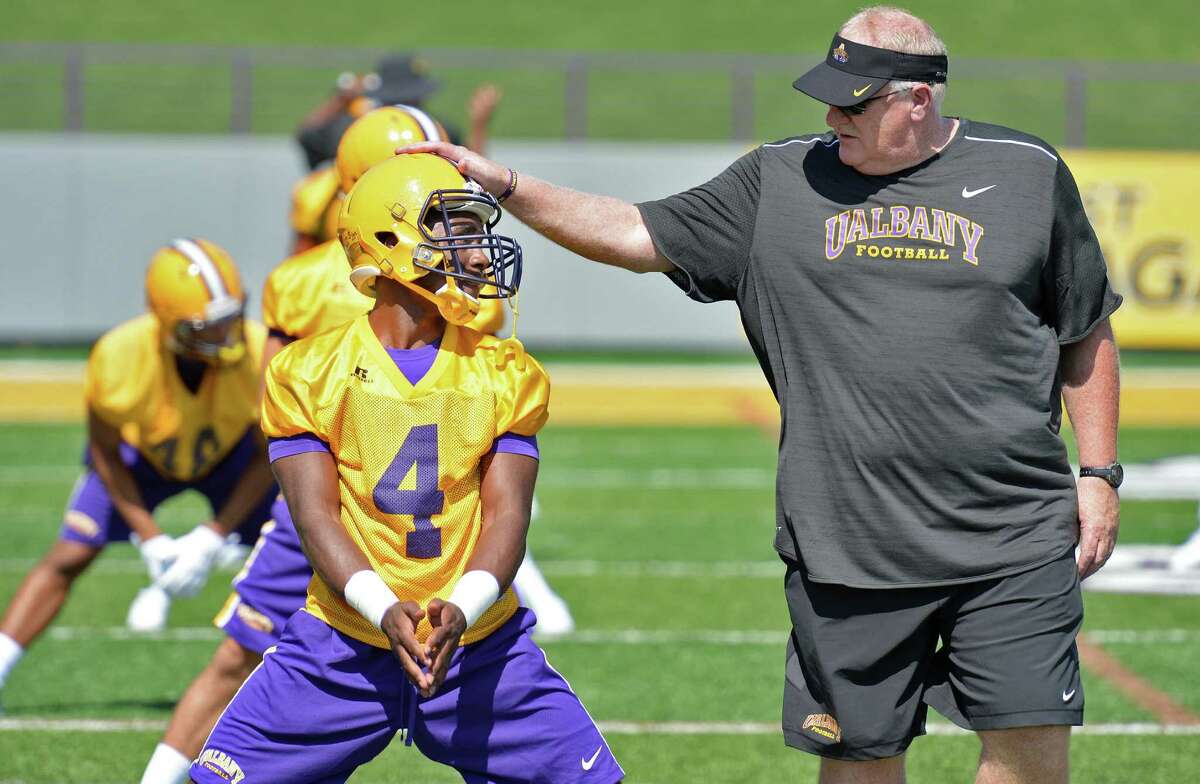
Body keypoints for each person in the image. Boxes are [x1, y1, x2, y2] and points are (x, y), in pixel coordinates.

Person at [402, 6, 1122, 783]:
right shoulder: (779, 180)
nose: (831, 115)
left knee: (1031, 753)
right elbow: (633, 233)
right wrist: (505, 185)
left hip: (1011, 535)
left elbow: (1084, 329)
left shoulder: (1028, 171)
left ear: (918, 98)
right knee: (858, 761)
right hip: (848, 545)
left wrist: (1099, 474)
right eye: (829, 97)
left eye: (855, 102)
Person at [189, 154, 621, 784]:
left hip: (479, 645)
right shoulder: (309, 373)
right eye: (457, 230)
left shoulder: (503, 370)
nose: (478, 255)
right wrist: (380, 605)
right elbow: (315, 519)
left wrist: (462, 608)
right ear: (393, 242)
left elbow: (507, 517)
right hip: (340, 643)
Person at [0, 240, 277, 711]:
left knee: (294, 546)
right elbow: (105, 455)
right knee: (72, 550)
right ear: (169, 324)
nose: (229, 333)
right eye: (210, 326)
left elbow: (268, 455)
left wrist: (214, 534)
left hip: (233, 458)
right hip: (144, 458)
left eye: (233, 316)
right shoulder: (119, 356)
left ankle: (315, 684)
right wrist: (149, 538)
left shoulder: (260, 352)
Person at [289, 55, 502, 253]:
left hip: (418, 232)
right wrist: (479, 124)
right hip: (357, 232)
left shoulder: (359, 125)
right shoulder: (364, 129)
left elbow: (471, 178)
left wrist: (340, 97)